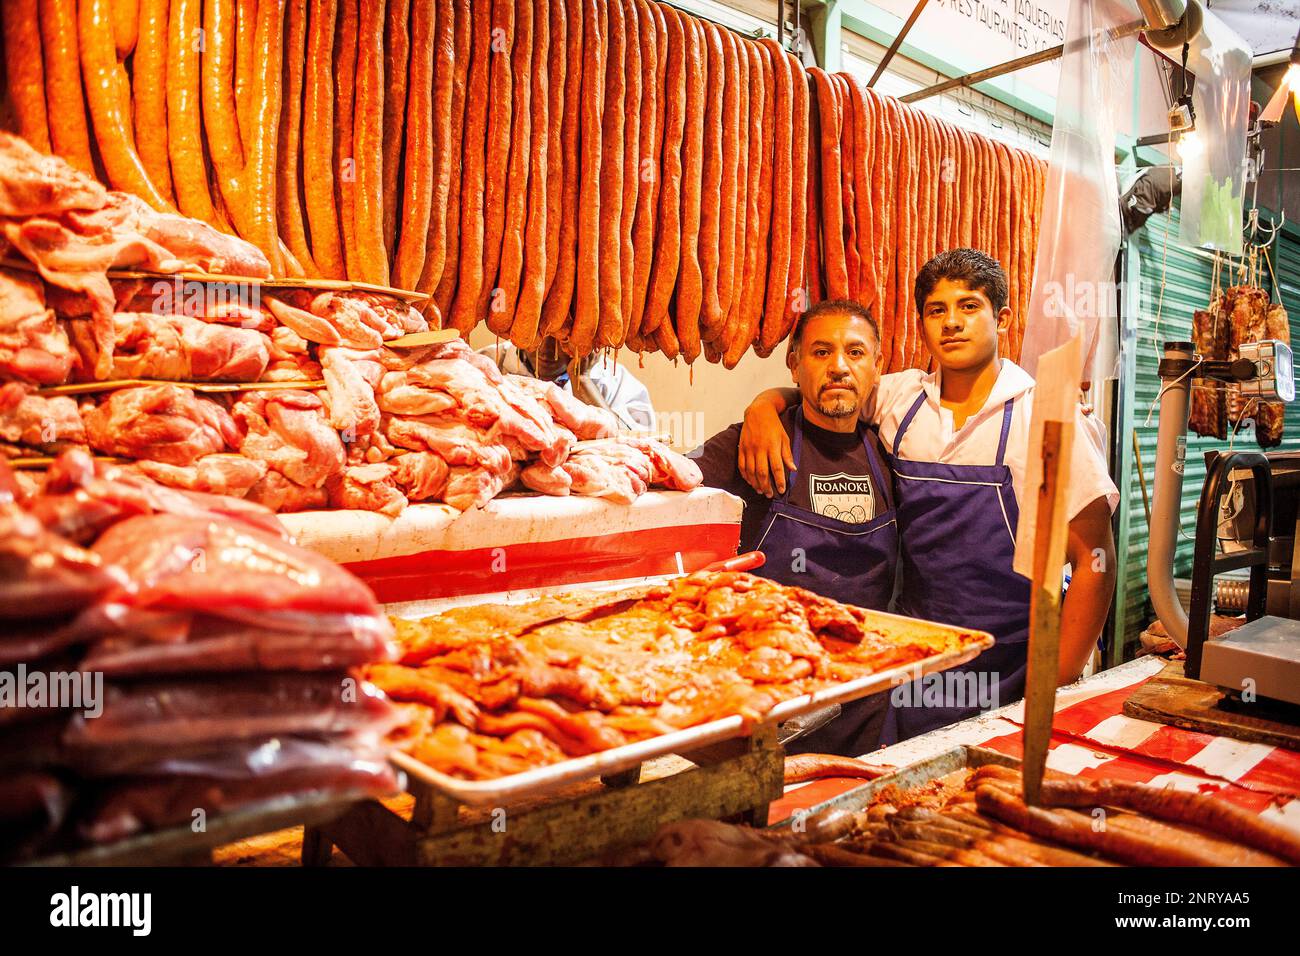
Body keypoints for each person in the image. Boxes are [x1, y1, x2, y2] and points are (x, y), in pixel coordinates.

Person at [738, 249, 1119, 745]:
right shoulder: (900, 399)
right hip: (919, 658)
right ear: (921, 326)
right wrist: (762, 408)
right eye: (937, 310)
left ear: (1003, 319)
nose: (952, 323)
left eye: (969, 306)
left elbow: (1095, 561)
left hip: (1015, 663)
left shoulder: (1048, 415)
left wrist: (1055, 679)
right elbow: (831, 387)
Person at [690, 299, 898, 756]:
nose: (839, 367)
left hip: (864, 699)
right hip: (765, 698)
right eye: (821, 352)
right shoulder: (753, 441)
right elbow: (670, 491)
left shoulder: (890, 451)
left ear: (877, 366)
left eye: (856, 352)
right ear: (794, 364)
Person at [480, 336, 656, 432]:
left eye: (563, 339)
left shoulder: (617, 381)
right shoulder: (487, 361)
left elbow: (635, 446)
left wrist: (582, 380)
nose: (548, 350)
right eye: (539, 334)